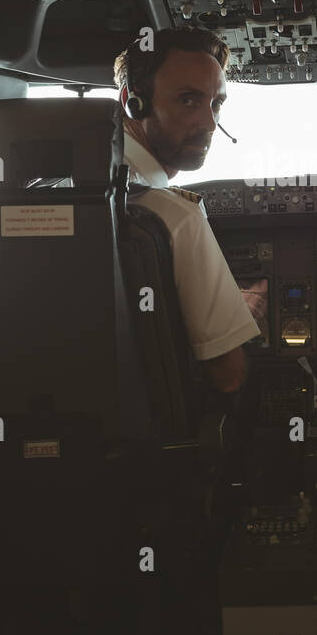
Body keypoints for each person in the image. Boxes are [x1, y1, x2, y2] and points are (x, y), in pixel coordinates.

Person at [113, 26, 260, 394]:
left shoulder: (46, 192)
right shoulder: (173, 218)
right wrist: (239, 313)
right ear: (133, 101)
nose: (210, 123)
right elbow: (229, 377)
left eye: (216, 103)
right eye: (189, 100)